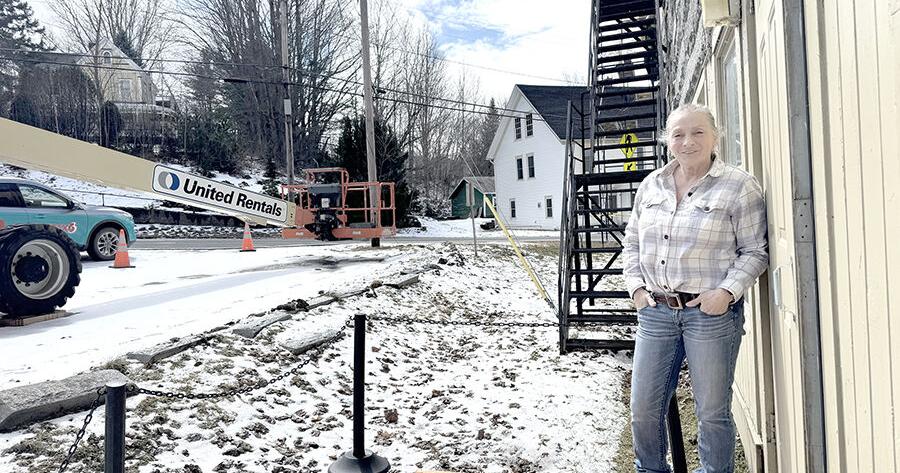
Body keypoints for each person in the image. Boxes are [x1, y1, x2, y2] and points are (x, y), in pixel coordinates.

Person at [621, 103, 768, 473]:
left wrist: (726, 293)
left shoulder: (738, 186)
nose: (688, 141)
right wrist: (637, 288)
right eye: (678, 134)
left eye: (698, 132)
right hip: (655, 312)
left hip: (710, 316)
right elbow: (632, 243)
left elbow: (755, 251)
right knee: (643, 409)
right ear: (667, 141)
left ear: (715, 136)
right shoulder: (651, 185)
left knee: (712, 412)